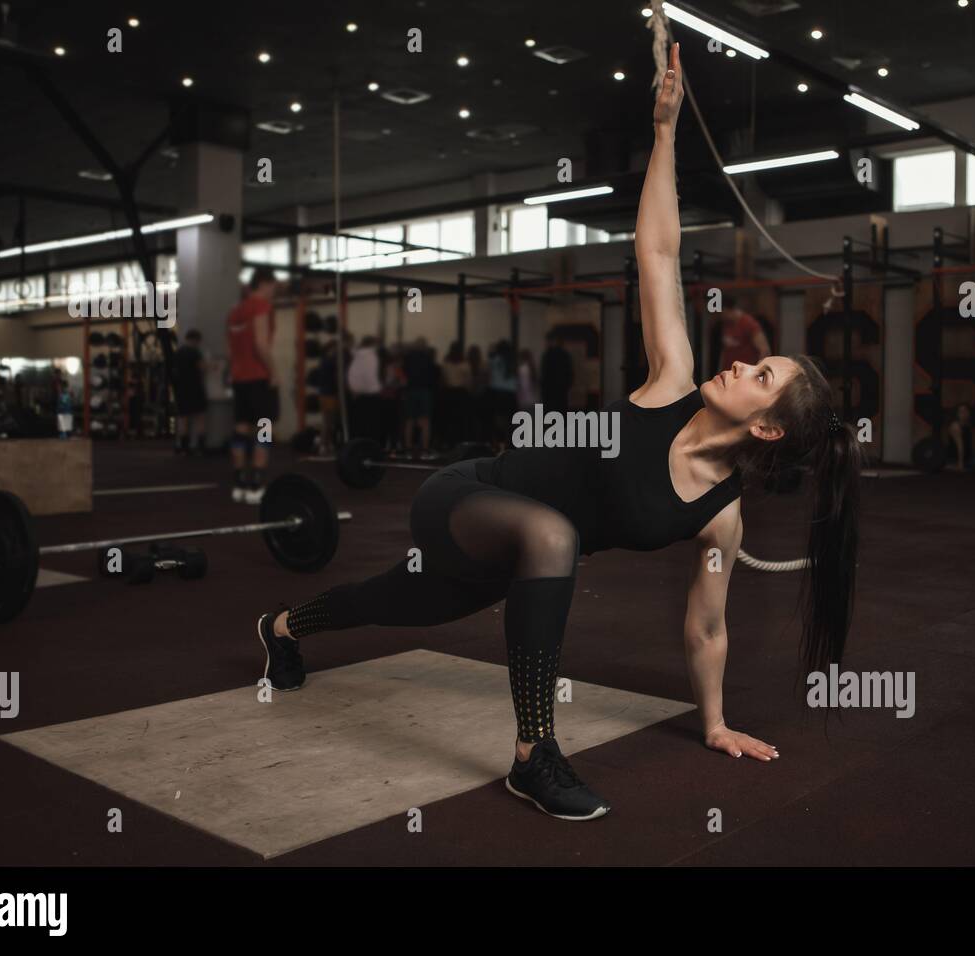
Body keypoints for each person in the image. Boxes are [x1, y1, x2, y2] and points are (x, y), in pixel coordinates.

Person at [253, 42, 862, 821]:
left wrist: (713, 725)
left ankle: (279, 628)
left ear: (770, 432)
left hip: (516, 554)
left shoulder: (720, 516)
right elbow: (660, 252)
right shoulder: (672, 380)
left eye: (762, 377)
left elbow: (707, 626)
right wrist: (667, 130)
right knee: (551, 536)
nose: (742, 365)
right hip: (469, 495)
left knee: (393, 601)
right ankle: (534, 754)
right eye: (756, 362)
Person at [227, 267, 280, 504]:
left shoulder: (235, 312)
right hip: (259, 377)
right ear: (264, 283)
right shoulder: (260, 306)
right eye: (273, 287)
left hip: (239, 378)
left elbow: (233, 350)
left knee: (241, 428)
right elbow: (260, 344)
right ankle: (257, 484)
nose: (274, 292)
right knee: (264, 427)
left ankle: (240, 484)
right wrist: (274, 372)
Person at [171, 329, 208, 454]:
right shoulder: (195, 352)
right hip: (195, 387)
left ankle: (184, 446)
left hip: (181, 389)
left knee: (183, 418)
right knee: (200, 417)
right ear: (196, 340)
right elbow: (202, 368)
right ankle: (201, 446)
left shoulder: (178, 352)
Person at [716, 295, 770, 373]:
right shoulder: (726, 324)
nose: (720, 316)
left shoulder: (748, 323)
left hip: (744, 373)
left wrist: (757, 372)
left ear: (728, 310)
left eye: (721, 313)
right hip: (729, 373)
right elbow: (726, 350)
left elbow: (765, 350)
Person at [402, 336, 437, 456]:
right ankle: (425, 448)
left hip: (411, 390)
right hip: (425, 391)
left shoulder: (408, 358)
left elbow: (404, 374)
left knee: (409, 420)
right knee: (425, 421)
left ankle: (408, 446)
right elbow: (433, 376)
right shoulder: (429, 358)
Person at [540, 331, 573, 413]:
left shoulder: (547, 355)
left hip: (549, 391)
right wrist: (567, 385)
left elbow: (544, 374)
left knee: (549, 415)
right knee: (561, 413)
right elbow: (570, 373)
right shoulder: (565, 355)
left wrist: (543, 388)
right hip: (561, 390)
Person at [944, 403, 975, 470]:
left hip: (968, 458)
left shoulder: (967, 425)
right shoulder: (955, 426)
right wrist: (960, 464)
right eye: (961, 412)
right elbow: (960, 445)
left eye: (966, 411)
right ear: (957, 414)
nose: (964, 413)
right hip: (955, 459)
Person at [516, 348, 538, 412]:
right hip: (533, 399)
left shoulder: (521, 369)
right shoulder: (532, 368)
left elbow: (521, 385)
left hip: (523, 400)